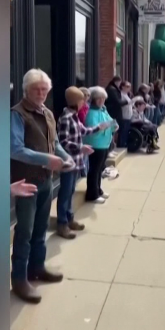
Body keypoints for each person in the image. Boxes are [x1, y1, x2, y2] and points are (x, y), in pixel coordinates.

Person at [10, 69, 75, 304]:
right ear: (26, 90)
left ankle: (37, 268)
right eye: (36, 89)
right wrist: (47, 159)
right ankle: (19, 279)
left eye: (44, 89)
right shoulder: (17, 115)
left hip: (46, 180)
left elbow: (54, 144)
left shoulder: (47, 113)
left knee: (40, 230)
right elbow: (14, 149)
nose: (41, 93)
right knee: (24, 232)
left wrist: (67, 158)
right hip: (26, 182)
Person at [55, 87, 110, 239]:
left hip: (77, 161)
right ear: (75, 102)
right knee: (65, 193)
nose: (84, 103)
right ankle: (62, 223)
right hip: (69, 162)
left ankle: (69, 218)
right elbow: (63, 142)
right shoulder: (66, 118)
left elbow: (84, 131)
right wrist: (81, 147)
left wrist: (99, 127)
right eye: (82, 100)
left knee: (71, 191)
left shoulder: (73, 117)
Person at [83, 86, 118, 203]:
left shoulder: (103, 109)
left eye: (103, 98)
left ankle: (98, 190)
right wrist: (104, 127)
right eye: (98, 98)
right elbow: (91, 131)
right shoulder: (91, 112)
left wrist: (114, 125)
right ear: (93, 99)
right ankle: (92, 195)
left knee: (99, 169)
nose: (101, 100)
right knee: (94, 170)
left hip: (104, 144)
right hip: (96, 144)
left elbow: (110, 120)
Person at [118, 81, 133, 148]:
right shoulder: (121, 94)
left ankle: (124, 144)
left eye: (129, 86)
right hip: (124, 116)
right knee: (123, 132)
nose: (129, 88)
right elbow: (121, 104)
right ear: (122, 86)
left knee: (126, 131)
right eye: (127, 86)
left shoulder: (127, 94)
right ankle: (121, 145)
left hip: (128, 115)